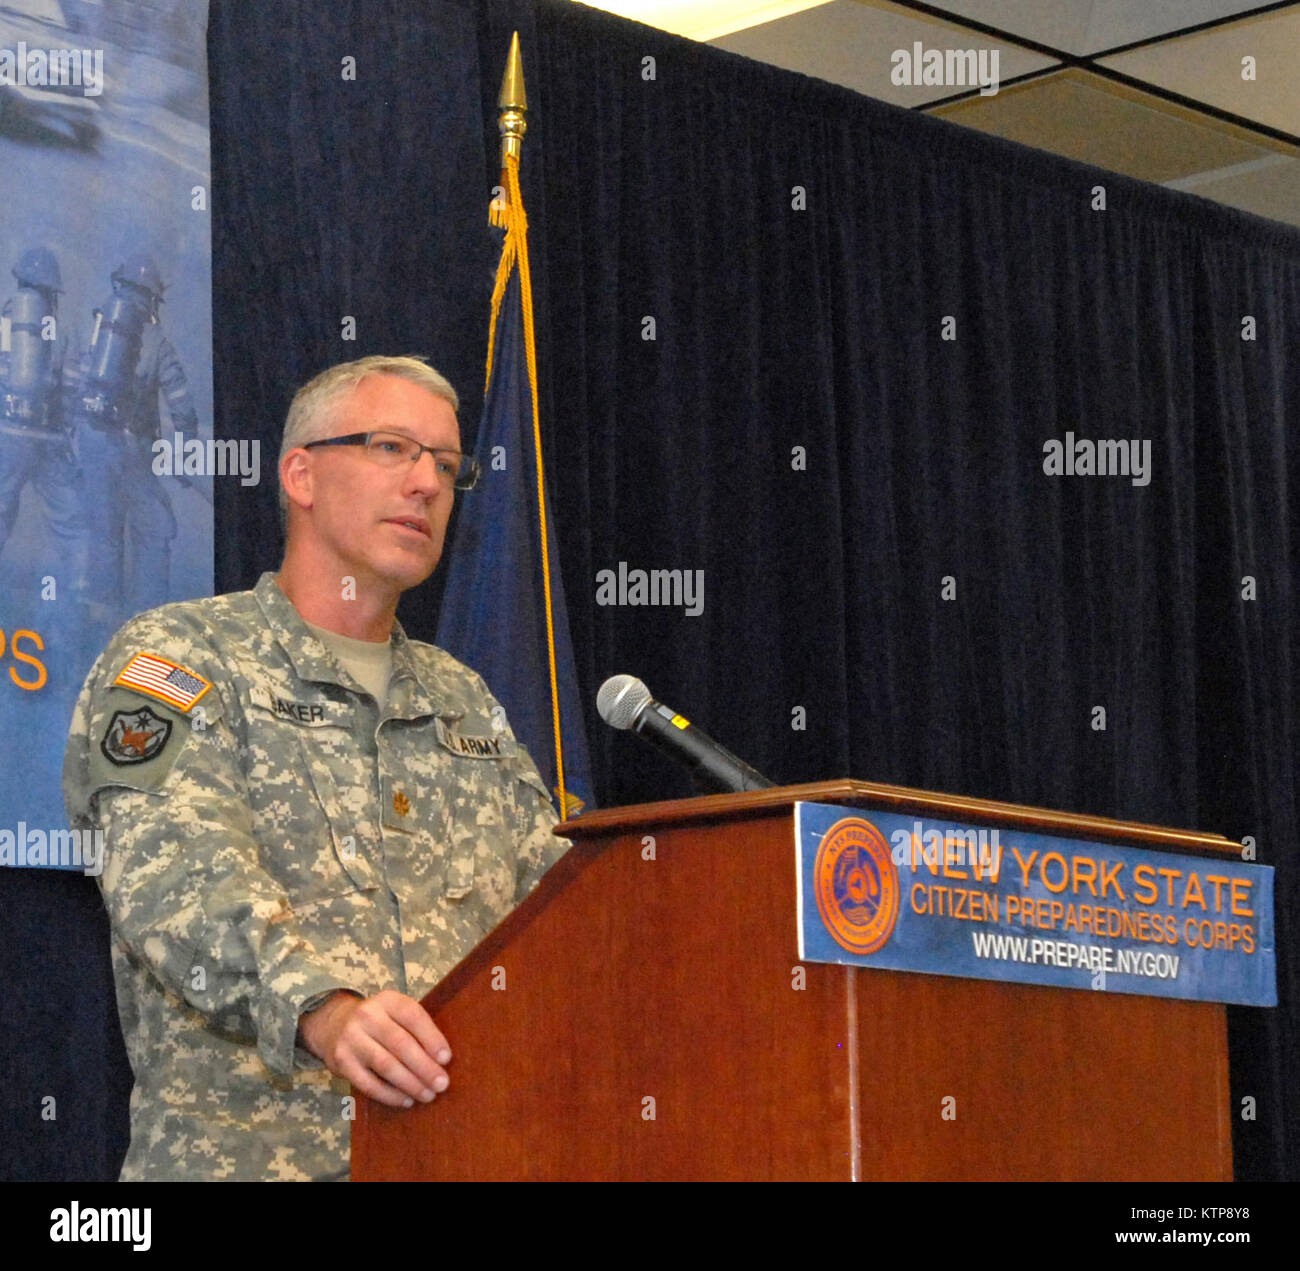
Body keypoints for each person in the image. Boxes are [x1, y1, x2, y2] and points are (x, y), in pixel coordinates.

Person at [63, 354, 570, 1181]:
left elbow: (560, 913)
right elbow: (175, 881)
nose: (426, 484)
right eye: (392, 448)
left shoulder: (462, 698)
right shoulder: (178, 657)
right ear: (300, 473)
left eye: (447, 465)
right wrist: (326, 1010)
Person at [0, 246, 81, 567]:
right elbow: (71, 391)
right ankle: (79, 593)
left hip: (6, 433)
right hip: (45, 438)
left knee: (3, 506)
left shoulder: (5, 321)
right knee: (70, 520)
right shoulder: (60, 330)